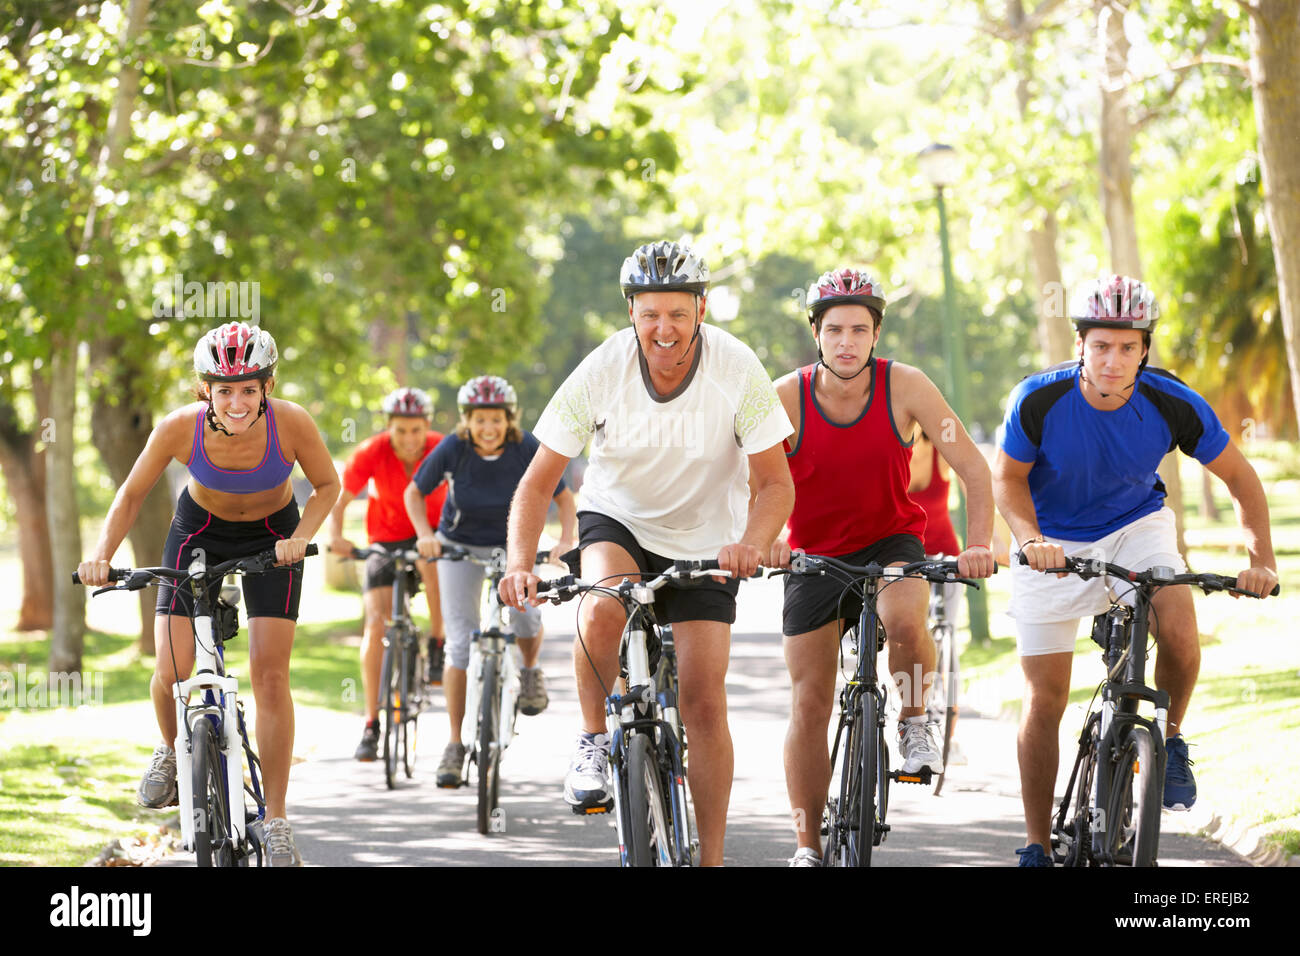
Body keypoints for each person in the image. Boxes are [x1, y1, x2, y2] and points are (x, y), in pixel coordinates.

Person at [499, 239, 796, 867]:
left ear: (702, 309)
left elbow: (775, 483)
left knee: (704, 700)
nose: (664, 329)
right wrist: (519, 563)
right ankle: (591, 739)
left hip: (709, 538)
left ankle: (711, 857)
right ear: (631, 311)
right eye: (650, 313)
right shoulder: (602, 369)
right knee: (603, 605)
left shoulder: (737, 367)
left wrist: (753, 542)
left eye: (678, 314)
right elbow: (536, 481)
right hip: (619, 519)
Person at [992, 275, 1278, 867]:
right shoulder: (1037, 400)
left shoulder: (1173, 401)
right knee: (1044, 699)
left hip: (1135, 525)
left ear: (1145, 348)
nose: (1113, 360)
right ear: (1080, 345)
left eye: (1127, 347)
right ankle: (1037, 843)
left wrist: (1262, 561)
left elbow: (1242, 480)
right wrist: (1030, 539)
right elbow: (1008, 478)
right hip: (1053, 539)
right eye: (1101, 346)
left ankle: (1169, 740)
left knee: (1179, 629)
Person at [77, 322, 340, 866]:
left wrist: (300, 538)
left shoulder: (291, 423)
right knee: (171, 668)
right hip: (198, 531)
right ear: (205, 391)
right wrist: (100, 554)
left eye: (249, 388)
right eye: (225, 390)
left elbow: (328, 485)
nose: (238, 401)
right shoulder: (180, 428)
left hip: (275, 536)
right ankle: (174, 753)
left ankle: (277, 819)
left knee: (270, 674)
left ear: (268, 386)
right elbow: (130, 495)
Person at [768, 268, 996, 866]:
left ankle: (915, 718)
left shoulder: (908, 386)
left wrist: (977, 544)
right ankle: (806, 845)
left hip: (891, 541)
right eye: (836, 329)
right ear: (816, 333)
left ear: (876, 334)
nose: (847, 341)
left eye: (860, 330)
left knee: (902, 619)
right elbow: (746, 482)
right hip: (812, 555)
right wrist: (757, 541)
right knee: (810, 703)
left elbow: (973, 467)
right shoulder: (784, 396)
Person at [404, 375, 577, 788]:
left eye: (496, 419)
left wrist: (565, 540)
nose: (488, 427)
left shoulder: (526, 447)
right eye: (480, 419)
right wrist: (425, 535)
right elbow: (414, 492)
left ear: (508, 419)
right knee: (460, 642)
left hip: (513, 549)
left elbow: (562, 496)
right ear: (467, 420)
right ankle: (453, 744)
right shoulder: (454, 447)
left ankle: (530, 670)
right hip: (458, 547)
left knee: (525, 620)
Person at [328, 387, 447, 762]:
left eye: (416, 430)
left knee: (431, 564)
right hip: (385, 539)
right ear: (389, 428)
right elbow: (341, 497)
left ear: (426, 426)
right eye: (400, 431)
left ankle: (438, 644)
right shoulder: (372, 451)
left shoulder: (441, 447)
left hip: (433, 534)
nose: (409, 440)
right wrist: (336, 537)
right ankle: (371, 722)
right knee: (376, 624)